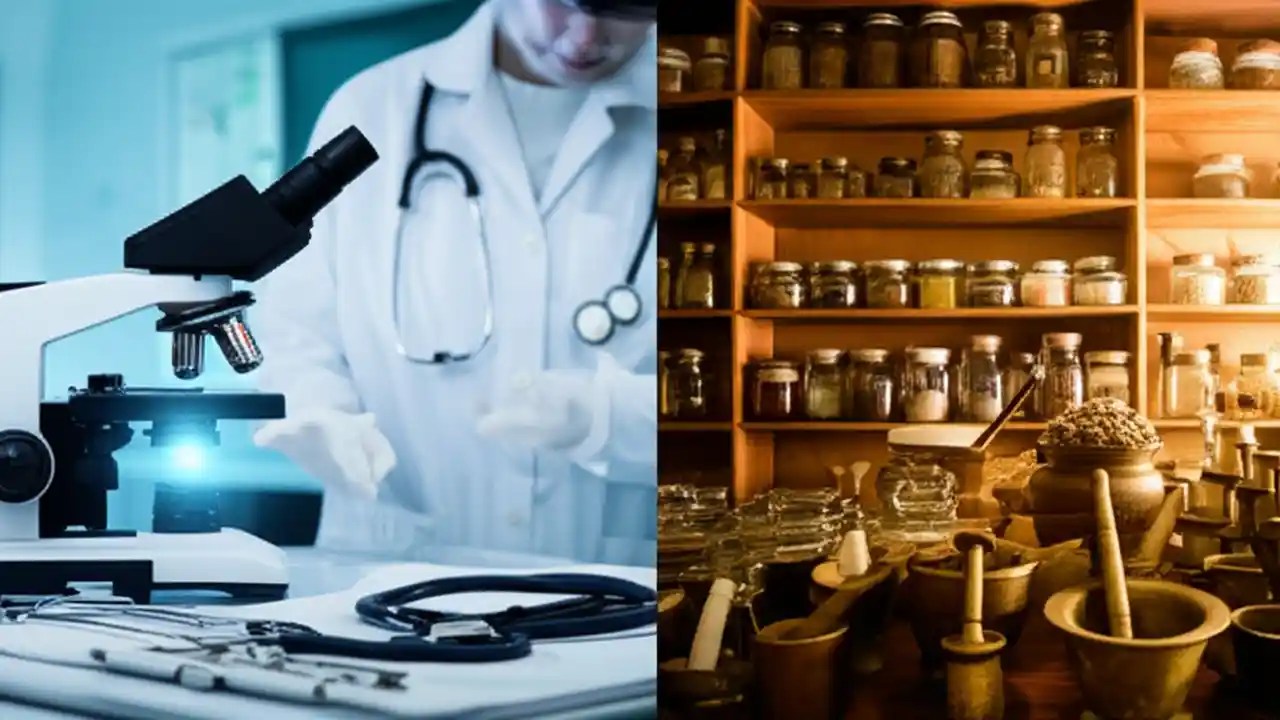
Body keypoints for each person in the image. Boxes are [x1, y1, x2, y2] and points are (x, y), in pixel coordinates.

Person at [251, 0, 658, 566]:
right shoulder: (374, 108)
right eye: (563, 3)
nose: (587, 36)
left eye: (629, 6)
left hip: (612, 577)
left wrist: (607, 419)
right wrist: (318, 412)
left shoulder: (697, 120)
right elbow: (295, 326)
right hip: (393, 560)